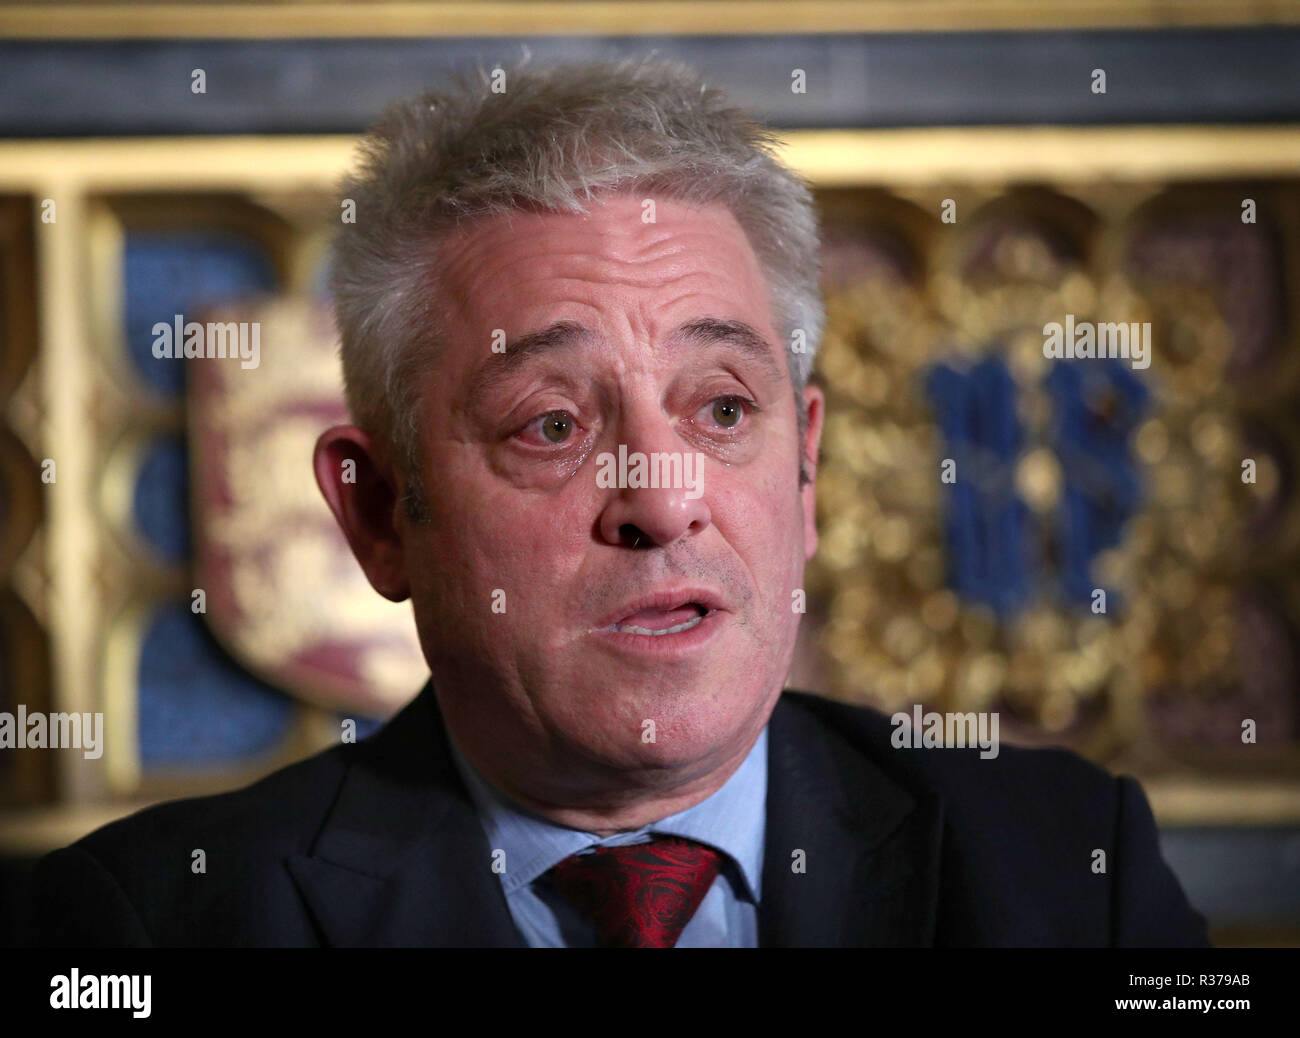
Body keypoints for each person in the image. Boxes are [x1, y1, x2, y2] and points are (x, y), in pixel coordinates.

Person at [29, 56, 1209, 948]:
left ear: (804, 468)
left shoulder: (1067, 869)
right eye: (552, 426)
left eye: (722, 410)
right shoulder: (154, 926)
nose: (662, 502)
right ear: (382, 512)